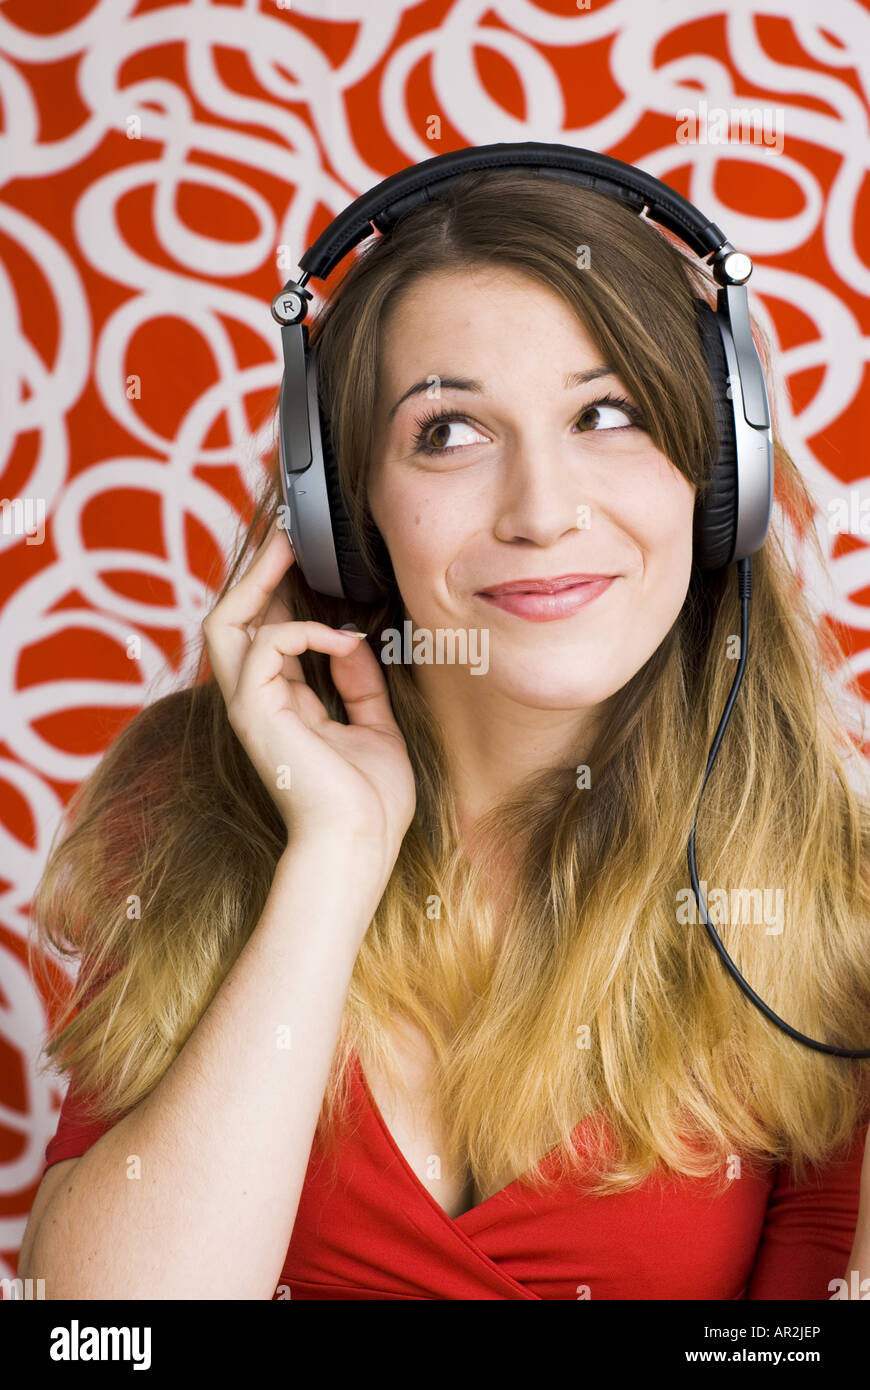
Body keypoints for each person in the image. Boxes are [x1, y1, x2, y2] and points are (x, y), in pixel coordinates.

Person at [19, 169, 870, 1299]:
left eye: (605, 414)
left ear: (722, 473)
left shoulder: (828, 882)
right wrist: (334, 855)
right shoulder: (199, 794)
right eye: (449, 430)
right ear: (343, 513)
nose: (540, 509)